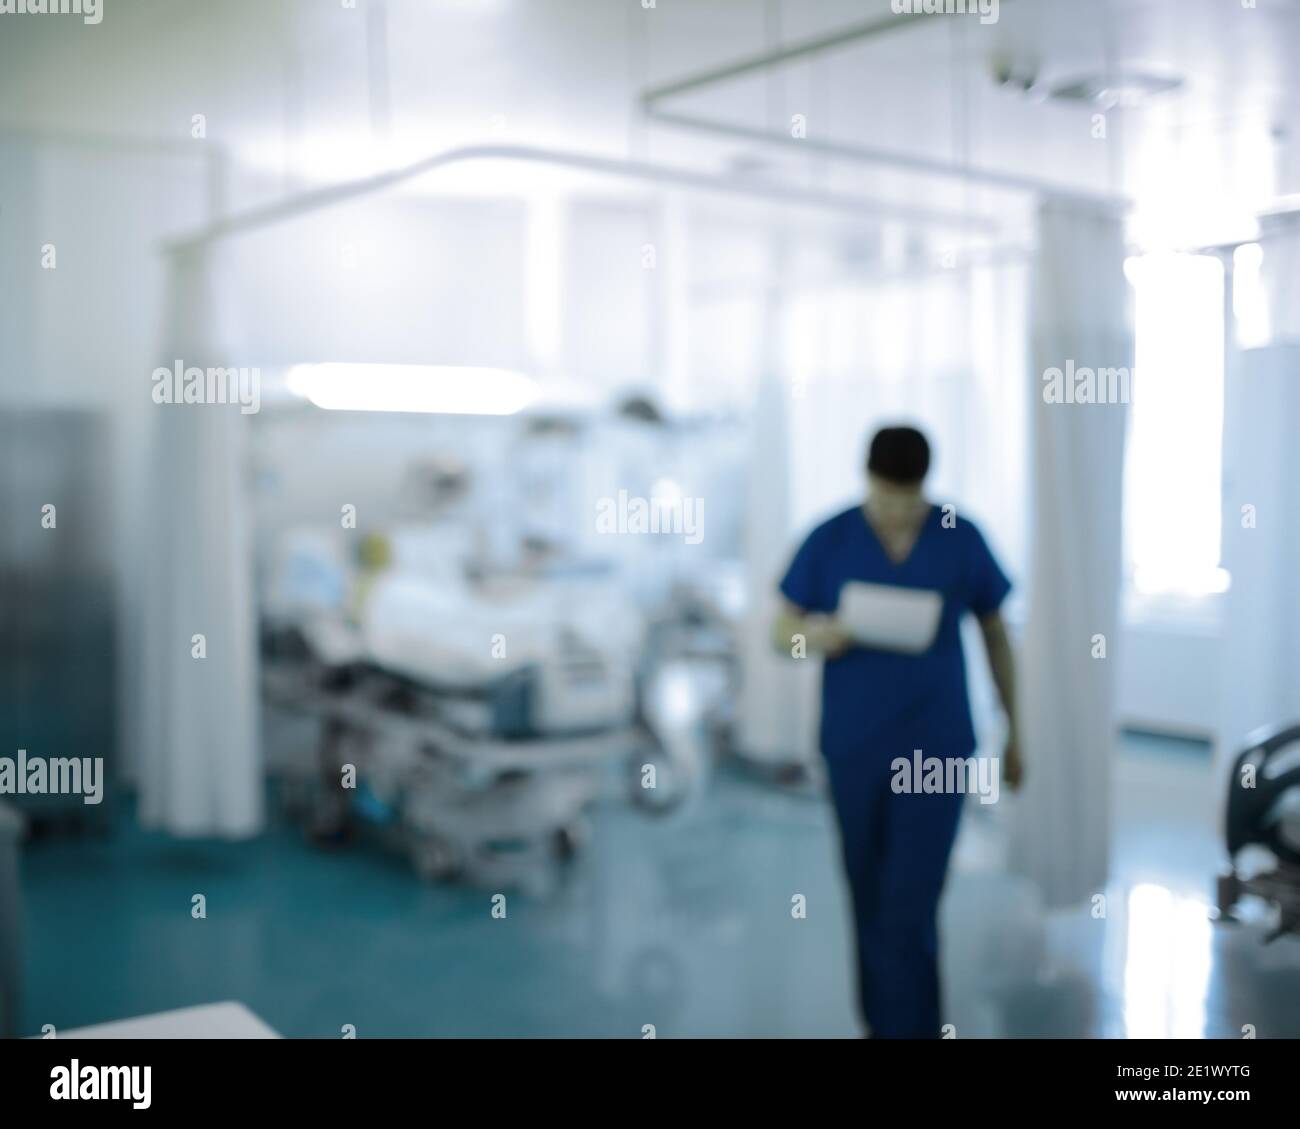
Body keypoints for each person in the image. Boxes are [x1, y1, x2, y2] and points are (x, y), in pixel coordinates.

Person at [774, 425, 1021, 1038]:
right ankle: (882, 1026)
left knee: (909, 901)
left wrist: (1018, 728)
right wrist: (824, 637)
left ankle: (909, 1029)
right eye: (884, 499)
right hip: (854, 746)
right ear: (866, 481)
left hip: (937, 747)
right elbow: (782, 635)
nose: (895, 512)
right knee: (865, 895)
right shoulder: (831, 538)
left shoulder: (957, 536)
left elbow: (996, 636)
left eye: (907, 500)